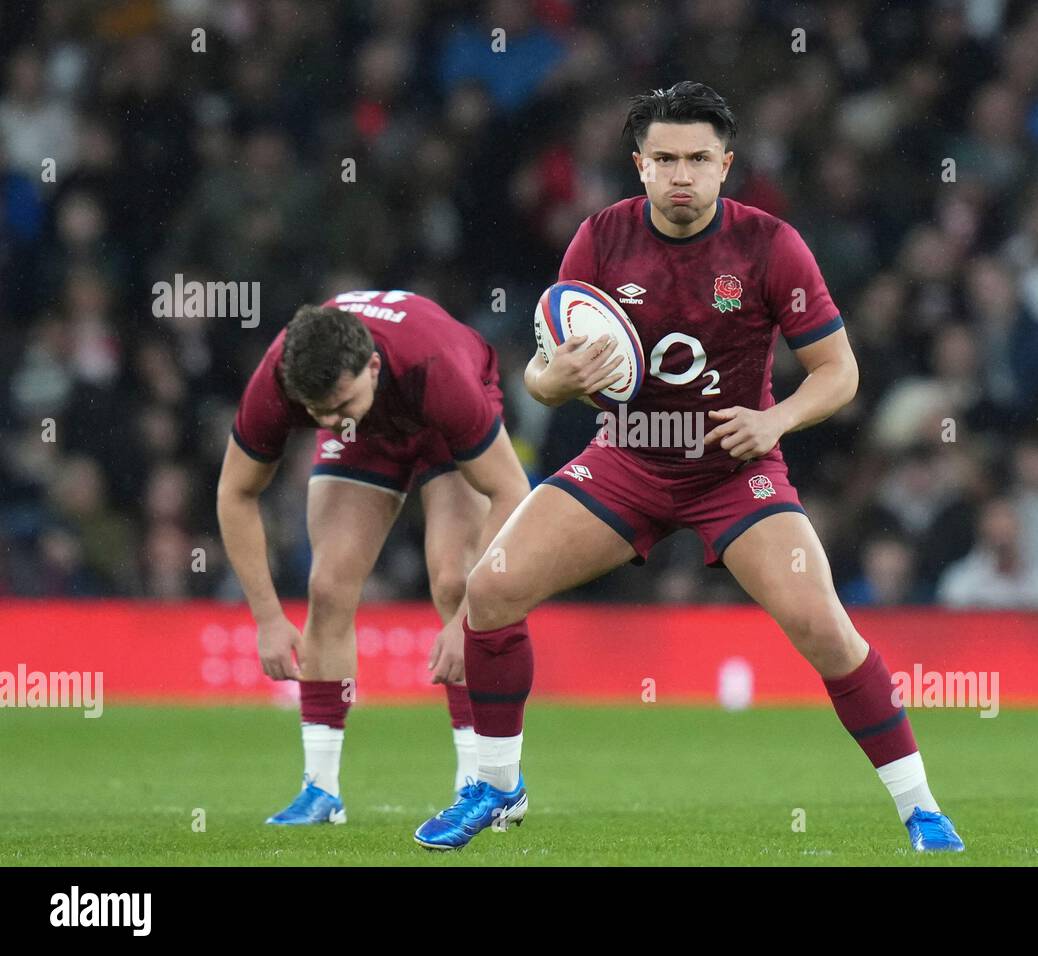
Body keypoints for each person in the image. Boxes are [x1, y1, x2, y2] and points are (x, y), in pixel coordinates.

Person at [414, 83, 964, 853]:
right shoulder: (600, 239)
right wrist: (555, 382)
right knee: (491, 589)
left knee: (822, 627)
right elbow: (541, 371)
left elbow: (840, 372)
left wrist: (776, 418)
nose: (682, 174)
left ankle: (921, 808)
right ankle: (499, 789)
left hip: (736, 471)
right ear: (638, 165)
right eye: (665, 158)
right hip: (625, 458)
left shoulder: (772, 245)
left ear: (726, 165)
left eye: (698, 159)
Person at [216, 290, 530, 824]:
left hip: (438, 423)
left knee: (455, 581)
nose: (331, 421)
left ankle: (478, 782)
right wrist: (268, 618)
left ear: (373, 366)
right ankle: (321, 791)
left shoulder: (437, 371)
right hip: (376, 433)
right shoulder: (282, 378)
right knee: (329, 585)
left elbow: (512, 490)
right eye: (317, 414)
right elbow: (234, 493)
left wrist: (464, 623)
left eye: (340, 405)